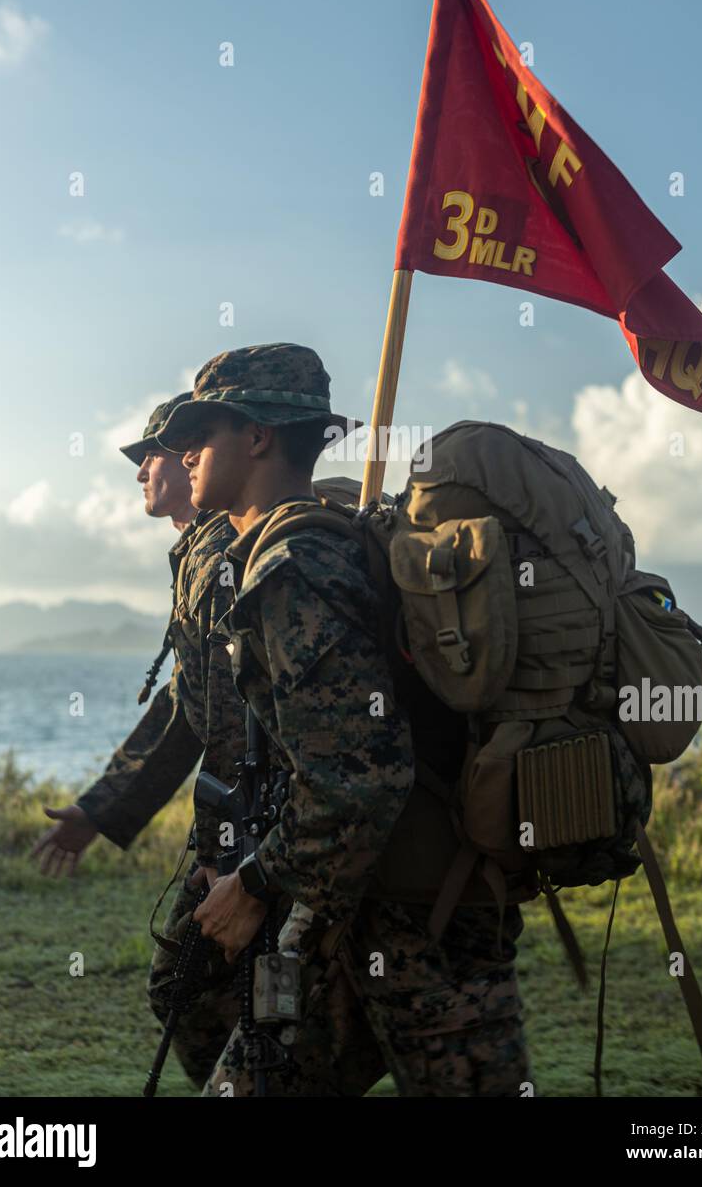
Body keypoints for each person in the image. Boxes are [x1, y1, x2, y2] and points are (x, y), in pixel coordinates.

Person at [156, 344, 530, 1097]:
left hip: (419, 917)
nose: (183, 449)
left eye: (203, 429)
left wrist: (256, 881)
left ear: (259, 437)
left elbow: (359, 776)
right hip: (359, 904)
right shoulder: (284, 546)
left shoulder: (297, 565)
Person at [31, 393, 244, 1089]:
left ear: (193, 457)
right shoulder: (202, 551)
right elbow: (189, 705)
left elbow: (229, 721)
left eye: (149, 453)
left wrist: (234, 851)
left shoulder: (223, 554)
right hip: (260, 840)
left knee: (192, 992)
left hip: (262, 840)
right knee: (205, 996)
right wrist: (101, 811)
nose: (140, 470)